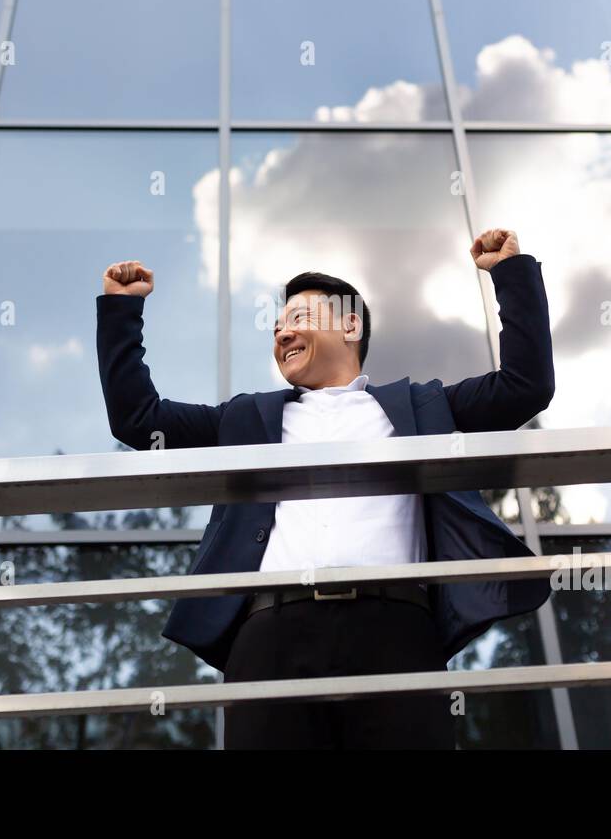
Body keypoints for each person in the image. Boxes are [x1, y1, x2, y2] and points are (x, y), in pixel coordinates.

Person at [96, 228, 555, 748]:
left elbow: (525, 386)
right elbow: (139, 419)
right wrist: (122, 312)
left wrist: (509, 275)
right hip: (270, 638)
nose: (283, 335)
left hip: (397, 633)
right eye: (276, 328)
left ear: (351, 325)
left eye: (299, 319)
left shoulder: (422, 405)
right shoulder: (246, 417)